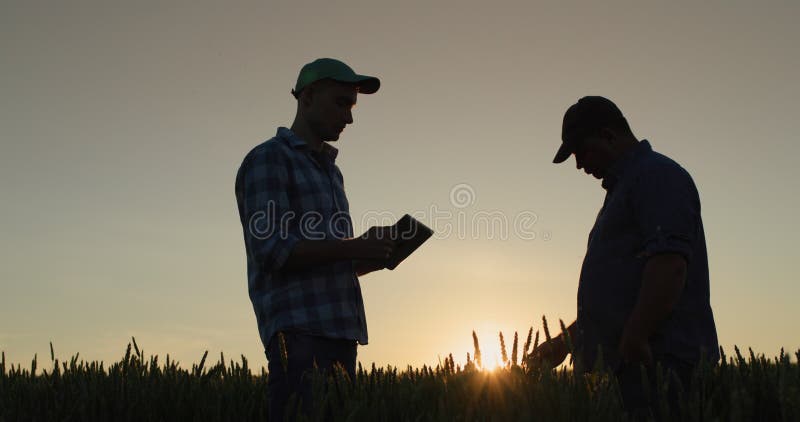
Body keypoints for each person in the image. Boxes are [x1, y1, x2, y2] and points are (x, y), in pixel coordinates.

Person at [531, 96, 719, 417]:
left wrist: (637, 335)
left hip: (662, 366)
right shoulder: (625, 190)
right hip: (637, 367)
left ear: (608, 135)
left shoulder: (656, 176)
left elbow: (669, 264)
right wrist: (564, 342)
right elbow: (616, 296)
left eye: (581, 151)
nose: (578, 164)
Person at [234, 58, 395, 420]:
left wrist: (372, 255)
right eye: (341, 103)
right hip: (299, 336)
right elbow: (272, 250)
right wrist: (353, 247)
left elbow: (329, 260)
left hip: (342, 334)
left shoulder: (331, 172)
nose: (349, 118)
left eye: (352, 107)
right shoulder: (268, 159)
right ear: (307, 98)